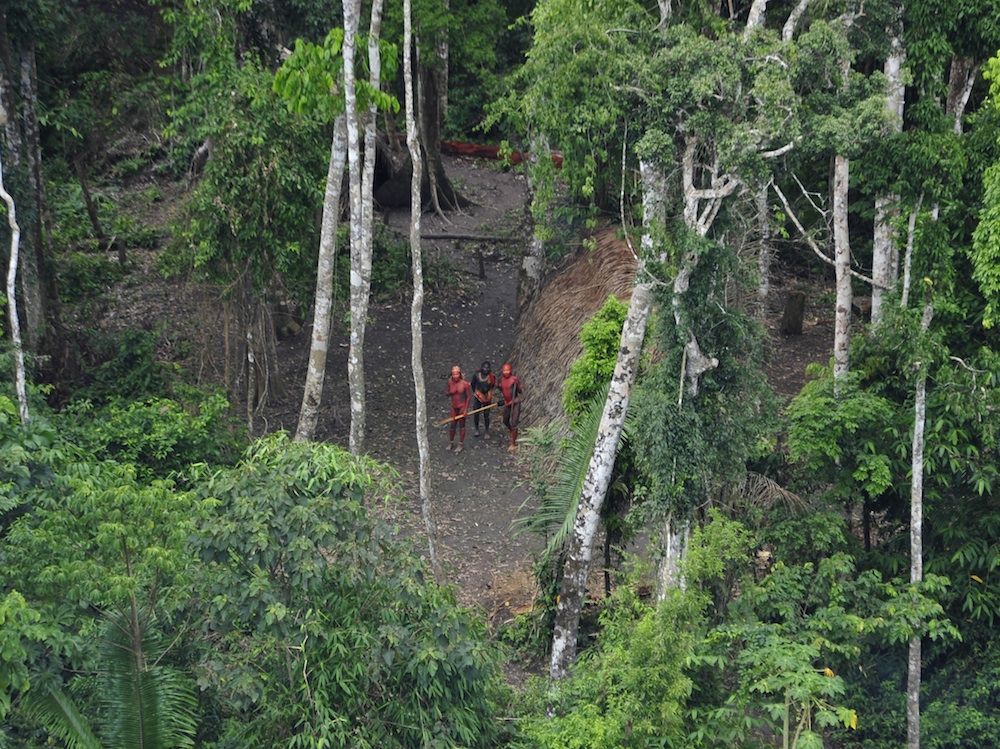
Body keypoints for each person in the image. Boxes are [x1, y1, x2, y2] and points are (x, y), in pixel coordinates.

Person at [444, 365, 472, 452]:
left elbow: (468, 397)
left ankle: (460, 444)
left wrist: (466, 409)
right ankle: (451, 442)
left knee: (462, 425)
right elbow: (446, 393)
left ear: (459, 374)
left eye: (457, 374)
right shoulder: (450, 382)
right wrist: (450, 392)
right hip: (454, 406)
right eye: (454, 374)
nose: (455, 376)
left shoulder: (464, 384)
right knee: (452, 425)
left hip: (462, 407)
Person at [469, 360, 496, 438]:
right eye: (484, 367)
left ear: (489, 369)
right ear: (481, 368)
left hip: (487, 397)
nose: (486, 369)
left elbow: (493, 385)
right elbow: (472, 384)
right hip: (478, 396)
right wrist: (475, 392)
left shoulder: (492, 376)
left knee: (486, 415)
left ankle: (487, 431)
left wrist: (489, 393)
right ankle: (476, 429)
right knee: (476, 413)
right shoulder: (476, 375)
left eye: (487, 368)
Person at [499, 362, 522, 452]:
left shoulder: (514, 379)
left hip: (515, 403)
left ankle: (513, 443)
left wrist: (517, 384)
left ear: (511, 371)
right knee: (505, 420)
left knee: (514, 423)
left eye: (508, 370)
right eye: (505, 370)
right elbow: (501, 389)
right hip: (507, 403)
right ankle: (512, 432)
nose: (506, 372)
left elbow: (520, 391)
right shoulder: (501, 380)